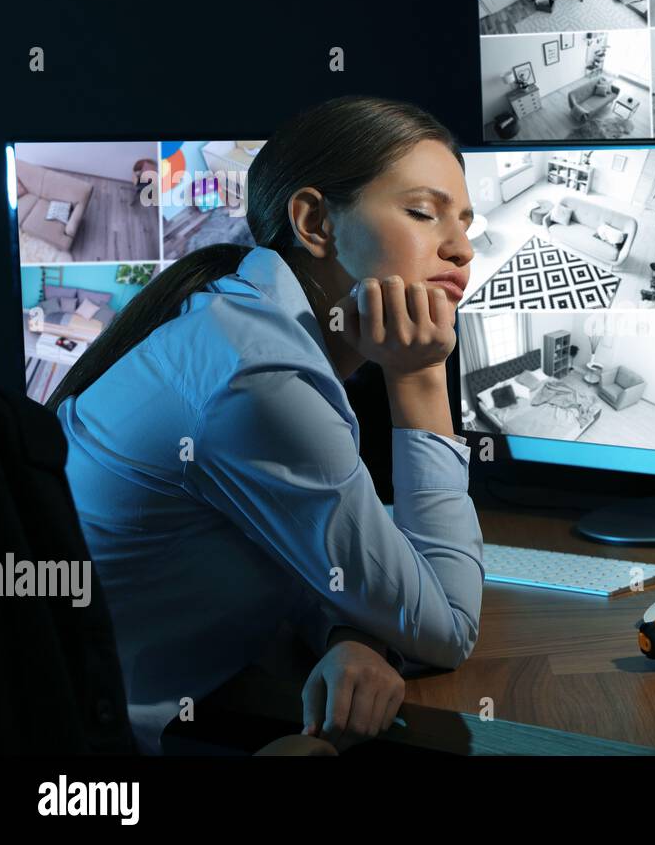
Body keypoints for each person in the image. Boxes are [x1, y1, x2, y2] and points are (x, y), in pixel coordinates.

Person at [46, 95, 482, 753]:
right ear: (314, 222)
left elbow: (294, 547)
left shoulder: (236, 323)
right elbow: (447, 628)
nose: (461, 248)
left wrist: (351, 632)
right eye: (424, 212)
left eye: (467, 222)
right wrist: (420, 379)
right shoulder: (260, 381)